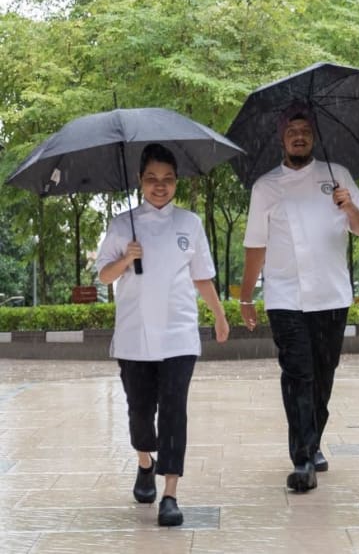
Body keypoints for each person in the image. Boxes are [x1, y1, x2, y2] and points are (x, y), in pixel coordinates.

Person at [96, 143, 229, 526]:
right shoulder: (121, 225)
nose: (160, 186)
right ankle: (145, 461)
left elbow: (201, 277)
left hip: (179, 334)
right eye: (152, 178)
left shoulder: (190, 223)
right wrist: (126, 259)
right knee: (140, 412)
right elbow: (103, 275)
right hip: (134, 336)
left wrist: (219, 316)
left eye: (168, 179)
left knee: (173, 410)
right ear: (140, 180)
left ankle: (170, 493)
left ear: (176, 182)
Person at [239, 107, 359, 493]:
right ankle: (302, 459)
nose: (299, 136)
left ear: (314, 136)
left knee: (323, 377)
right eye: (292, 131)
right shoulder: (266, 187)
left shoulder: (338, 175)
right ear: (282, 139)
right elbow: (255, 245)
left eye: (305, 130)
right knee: (298, 374)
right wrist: (246, 297)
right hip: (285, 296)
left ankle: (312, 443)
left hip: (332, 295)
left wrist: (349, 205)